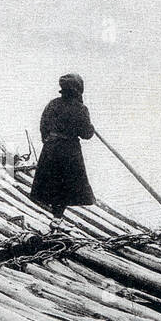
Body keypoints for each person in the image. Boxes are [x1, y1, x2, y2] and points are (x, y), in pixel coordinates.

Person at [30, 73, 95, 228]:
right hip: (69, 151)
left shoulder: (53, 104)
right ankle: (58, 218)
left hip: (51, 148)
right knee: (65, 185)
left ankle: (56, 217)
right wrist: (91, 128)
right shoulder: (80, 109)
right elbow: (86, 134)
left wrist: (47, 140)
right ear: (78, 89)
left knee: (53, 183)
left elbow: (43, 125)